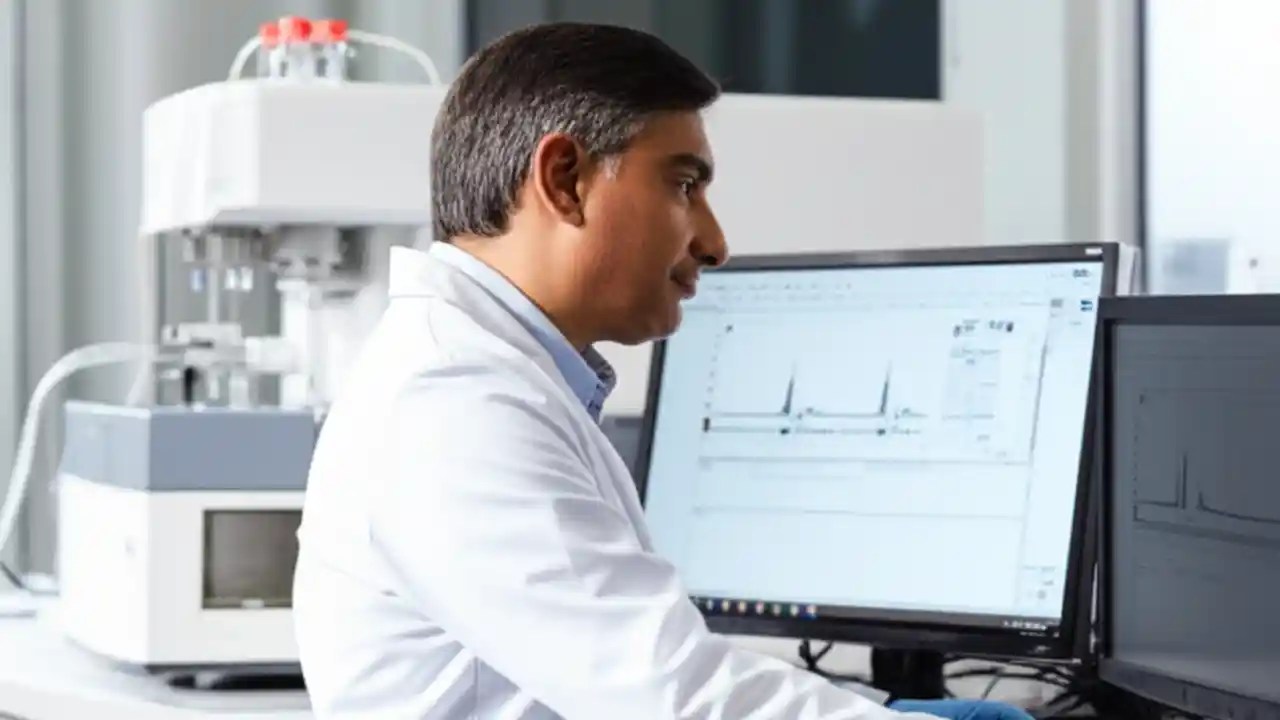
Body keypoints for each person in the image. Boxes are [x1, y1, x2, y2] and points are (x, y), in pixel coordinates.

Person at [293, 22, 1035, 720]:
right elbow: (668, 696)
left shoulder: (492, 375)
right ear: (564, 180)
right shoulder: (454, 402)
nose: (714, 242)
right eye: (684, 185)